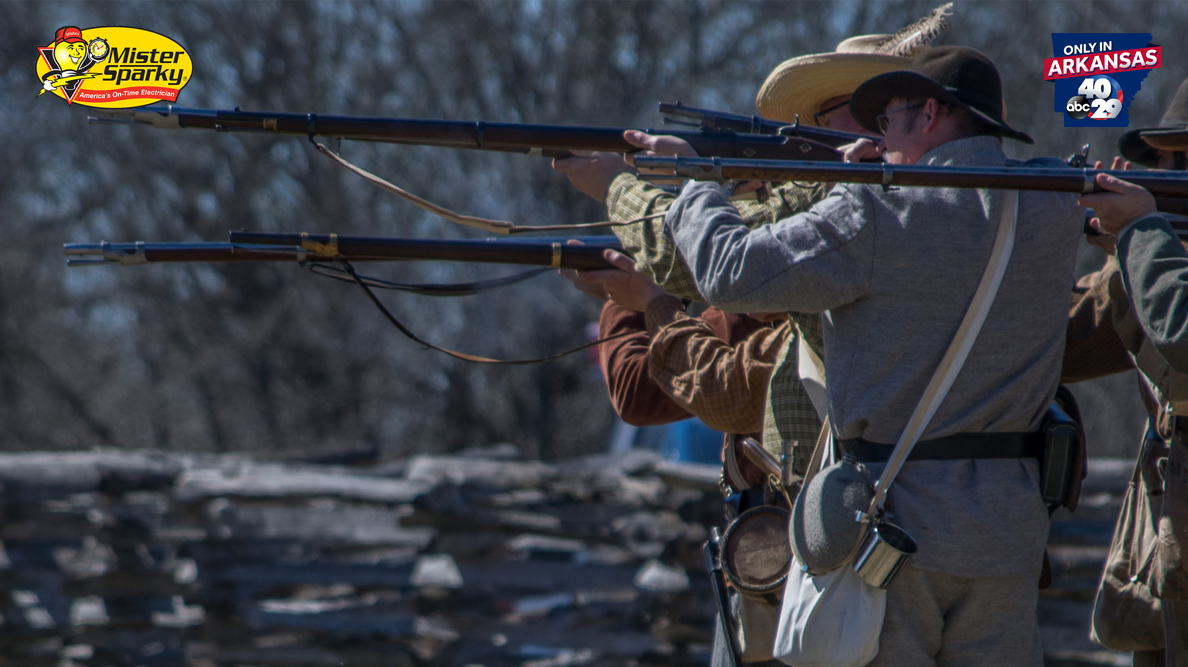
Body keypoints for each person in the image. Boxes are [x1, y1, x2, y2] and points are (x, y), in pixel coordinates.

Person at [662, 46, 1083, 665]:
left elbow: (729, 272)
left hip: (892, 534)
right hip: (1008, 533)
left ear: (930, 114)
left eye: (888, 120)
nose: (879, 138)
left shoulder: (874, 211)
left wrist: (696, 186)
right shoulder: (1055, 205)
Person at [555, 10, 952, 472]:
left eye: (835, 111)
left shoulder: (851, 215)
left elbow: (669, 373)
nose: (816, 128)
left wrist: (624, 193)